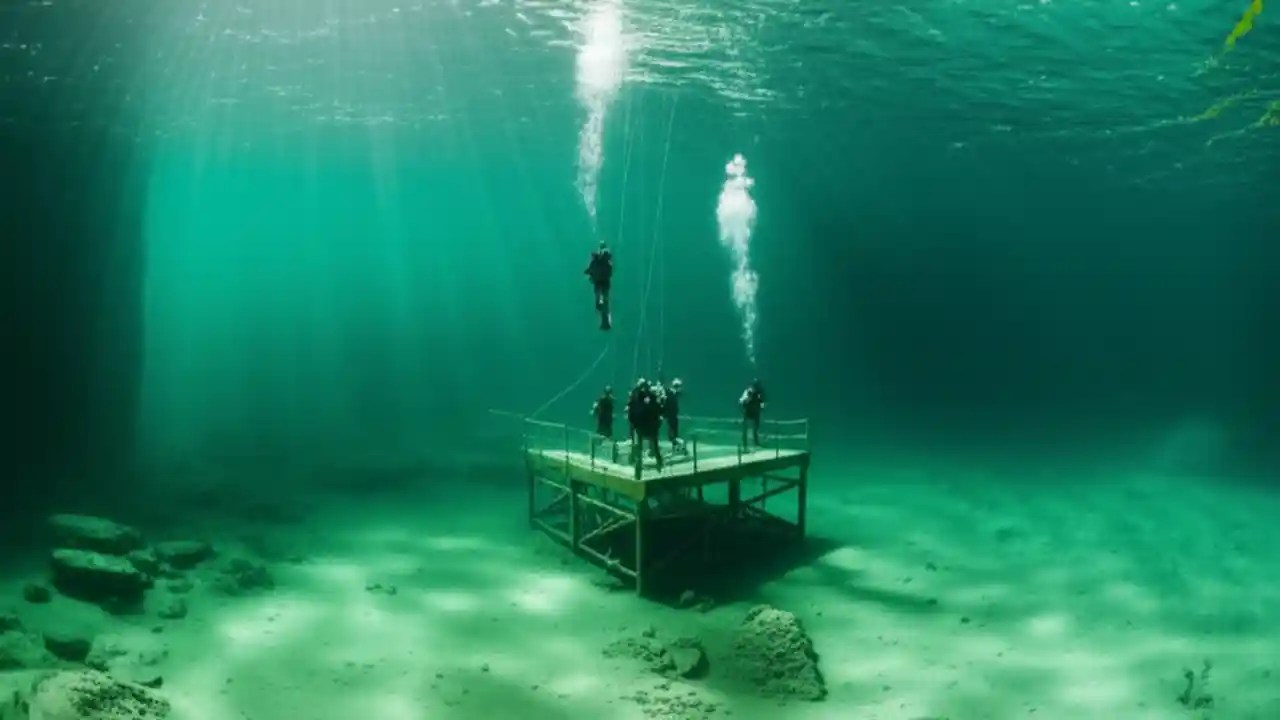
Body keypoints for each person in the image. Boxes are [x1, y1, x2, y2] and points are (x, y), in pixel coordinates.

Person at [584, 241, 613, 331]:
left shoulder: (596, 262)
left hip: (600, 284)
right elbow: (609, 271)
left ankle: (604, 315)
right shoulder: (605, 261)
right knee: (602, 300)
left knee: (601, 300)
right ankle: (605, 315)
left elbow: (589, 271)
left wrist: (590, 276)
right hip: (603, 283)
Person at [739, 378, 766, 448]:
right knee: (746, 429)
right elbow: (742, 400)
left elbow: (762, 401)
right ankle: (745, 444)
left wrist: (761, 408)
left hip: (755, 412)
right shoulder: (749, 391)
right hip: (748, 411)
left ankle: (755, 443)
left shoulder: (759, 392)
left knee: (755, 428)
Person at [662, 378, 684, 454]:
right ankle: (676, 446)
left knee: (674, 433)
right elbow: (667, 404)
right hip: (671, 415)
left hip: (673, 416)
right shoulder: (670, 393)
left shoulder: (674, 394)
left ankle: (676, 447)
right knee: (672, 433)